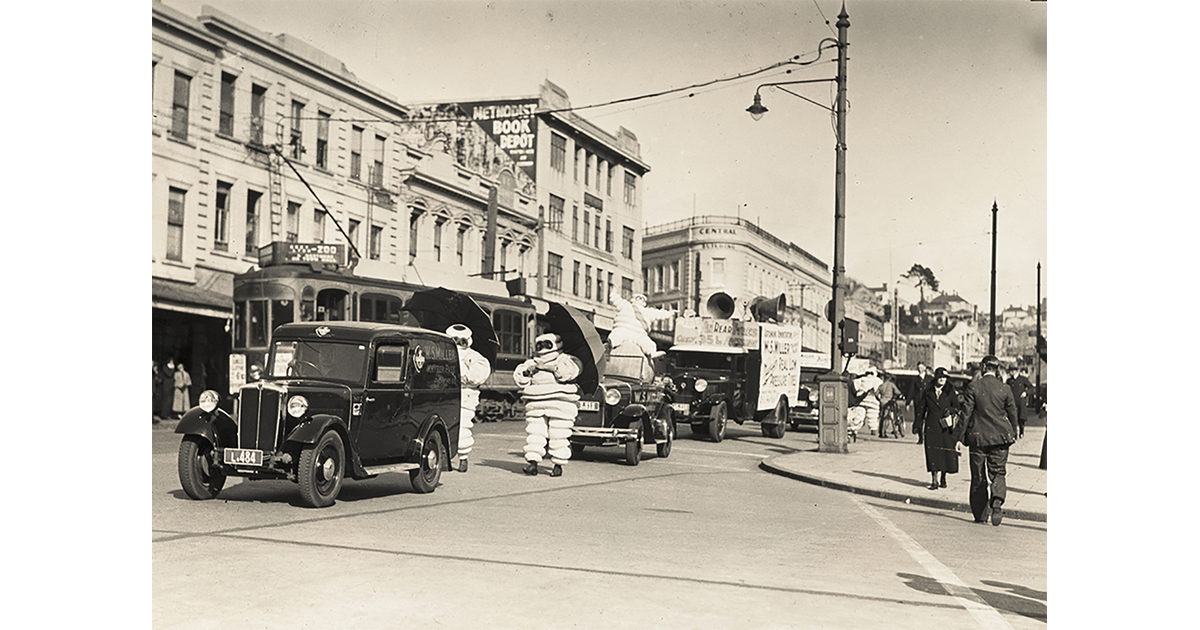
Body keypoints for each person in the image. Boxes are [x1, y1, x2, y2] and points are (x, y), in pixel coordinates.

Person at [514, 332, 583, 477]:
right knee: (535, 433)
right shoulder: (532, 362)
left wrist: (546, 367)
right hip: (536, 402)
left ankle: (558, 464)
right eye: (540, 344)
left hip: (560, 403)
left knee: (559, 434)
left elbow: (569, 372)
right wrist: (528, 372)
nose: (543, 348)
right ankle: (532, 463)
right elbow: (520, 378)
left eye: (547, 344)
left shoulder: (565, 359)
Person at [961, 355, 1020, 526]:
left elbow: (966, 413)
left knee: (978, 474)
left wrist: (960, 437)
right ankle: (997, 500)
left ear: (983, 367)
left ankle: (980, 514)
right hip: (1000, 437)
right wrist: (1014, 431)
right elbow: (1012, 413)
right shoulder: (1005, 388)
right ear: (997, 369)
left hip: (978, 438)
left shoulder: (974, 387)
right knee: (998, 471)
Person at [447, 324, 492, 473]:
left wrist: (464, 378)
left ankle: (463, 457)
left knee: (462, 427)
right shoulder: (443, 352)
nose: (459, 344)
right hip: (446, 394)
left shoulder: (473, 356)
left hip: (465, 395)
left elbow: (481, 370)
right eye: (455, 340)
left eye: (462, 341)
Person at [912, 367, 964, 490]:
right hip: (932, 426)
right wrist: (917, 424)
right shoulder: (927, 392)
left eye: (944, 378)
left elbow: (956, 406)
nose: (942, 380)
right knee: (932, 452)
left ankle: (943, 477)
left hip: (946, 427)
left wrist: (950, 410)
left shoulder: (950, 391)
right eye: (940, 377)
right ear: (936, 378)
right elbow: (921, 409)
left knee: (946, 451)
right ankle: (934, 480)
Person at [876, 371, 904, 438]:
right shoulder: (891, 385)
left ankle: (882, 432)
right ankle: (899, 430)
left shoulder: (881, 385)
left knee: (883, 417)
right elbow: (898, 392)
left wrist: (879, 400)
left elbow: (876, 394)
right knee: (896, 415)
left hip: (882, 401)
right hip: (890, 401)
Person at [1011, 366, 1034, 438]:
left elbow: (1032, 388)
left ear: (1016, 371)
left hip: (1021, 402)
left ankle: (1021, 431)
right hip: (1012, 402)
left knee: (1021, 418)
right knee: (1013, 418)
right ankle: (1014, 434)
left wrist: (1026, 393)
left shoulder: (1023, 379)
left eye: (1012, 370)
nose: (1011, 372)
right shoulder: (1009, 380)